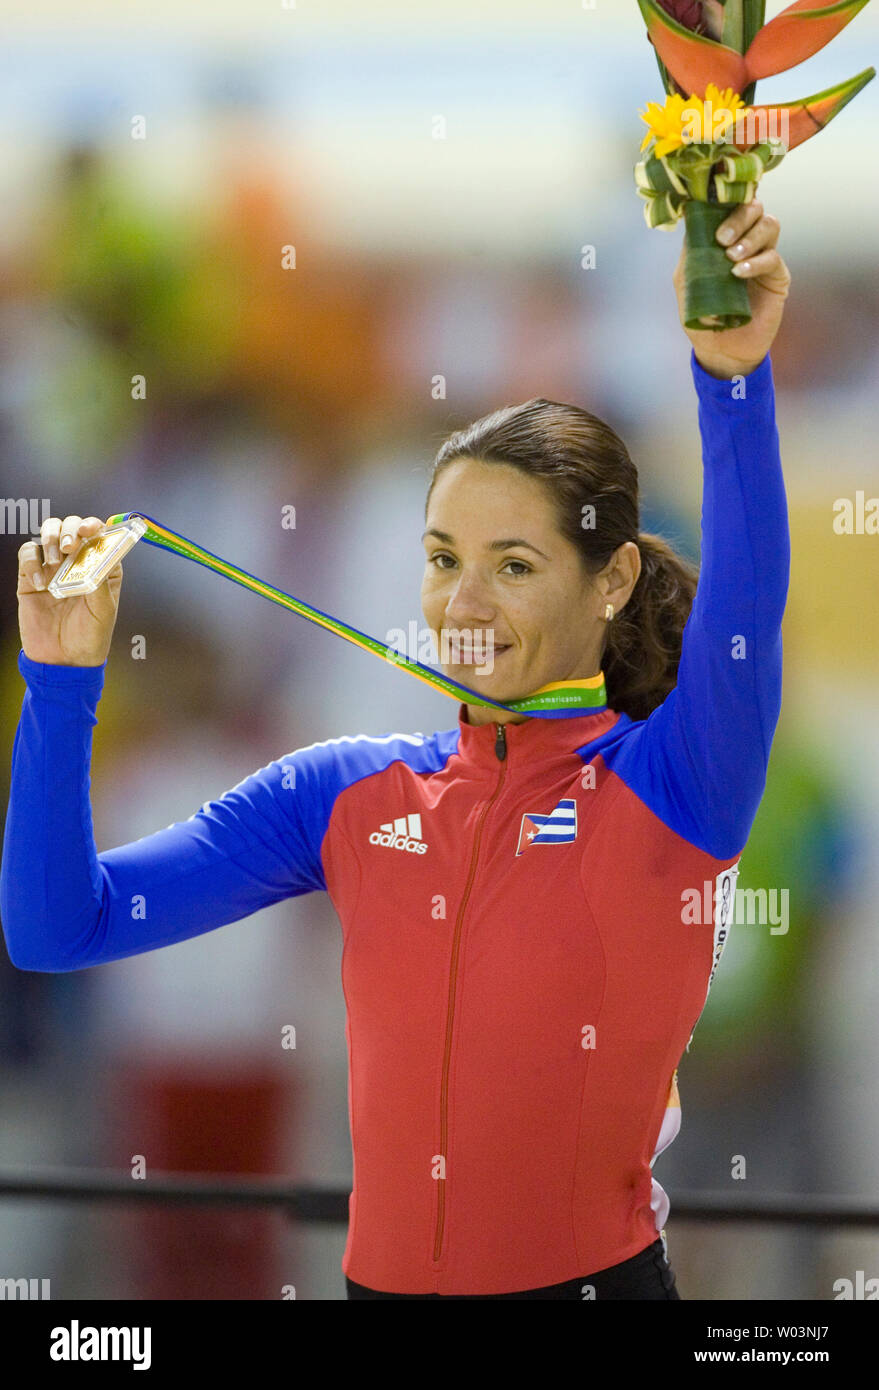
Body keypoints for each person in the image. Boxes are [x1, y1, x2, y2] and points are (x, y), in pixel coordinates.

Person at [1, 201, 791, 1299]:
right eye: (441, 556)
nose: (462, 600)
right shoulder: (344, 790)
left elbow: (748, 601)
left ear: (608, 582)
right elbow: (54, 926)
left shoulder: (673, 783)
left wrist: (733, 379)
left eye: (514, 564)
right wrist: (60, 681)